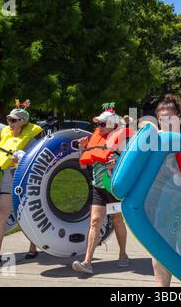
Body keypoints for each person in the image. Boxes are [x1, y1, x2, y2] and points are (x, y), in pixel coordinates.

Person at [0, 102, 43, 263]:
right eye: (9, 120)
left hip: (26, 181)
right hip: (9, 179)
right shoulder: (5, 138)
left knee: (28, 214)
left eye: (14, 120)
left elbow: (37, 164)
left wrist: (19, 161)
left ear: (23, 121)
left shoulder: (31, 141)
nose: (10, 123)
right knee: (2, 214)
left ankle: (33, 248)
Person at [71, 106, 129, 275]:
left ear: (112, 125)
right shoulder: (94, 139)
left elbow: (128, 164)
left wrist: (115, 163)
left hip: (113, 188)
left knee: (117, 220)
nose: (100, 127)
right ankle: (87, 262)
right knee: (95, 221)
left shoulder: (121, 141)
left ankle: (123, 254)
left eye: (103, 123)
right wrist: (82, 150)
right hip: (98, 187)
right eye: (98, 124)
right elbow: (83, 165)